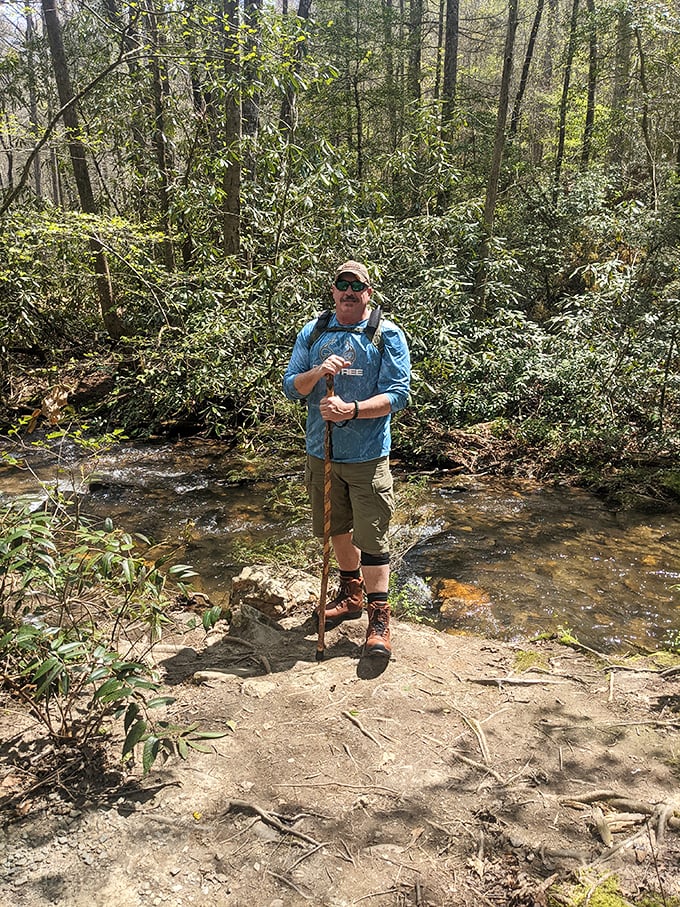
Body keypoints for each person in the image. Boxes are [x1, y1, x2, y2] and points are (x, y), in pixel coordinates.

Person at [283, 260, 411, 658]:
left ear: (368, 292)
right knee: (334, 527)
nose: (349, 292)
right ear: (333, 290)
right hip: (321, 453)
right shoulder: (315, 331)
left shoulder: (385, 334)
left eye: (357, 286)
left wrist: (351, 409)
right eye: (343, 285)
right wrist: (319, 372)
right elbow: (292, 387)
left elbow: (399, 395)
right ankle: (351, 594)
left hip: (367, 455)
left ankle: (378, 617)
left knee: (371, 537)